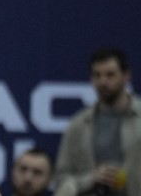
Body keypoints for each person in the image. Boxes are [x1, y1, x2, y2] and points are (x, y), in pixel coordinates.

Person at [53, 49, 141, 196]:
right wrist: (91, 178)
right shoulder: (79, 125)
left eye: (110, 75)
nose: (103, 82)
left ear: (126, 76)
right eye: (97, 75)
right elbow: (61, 181)